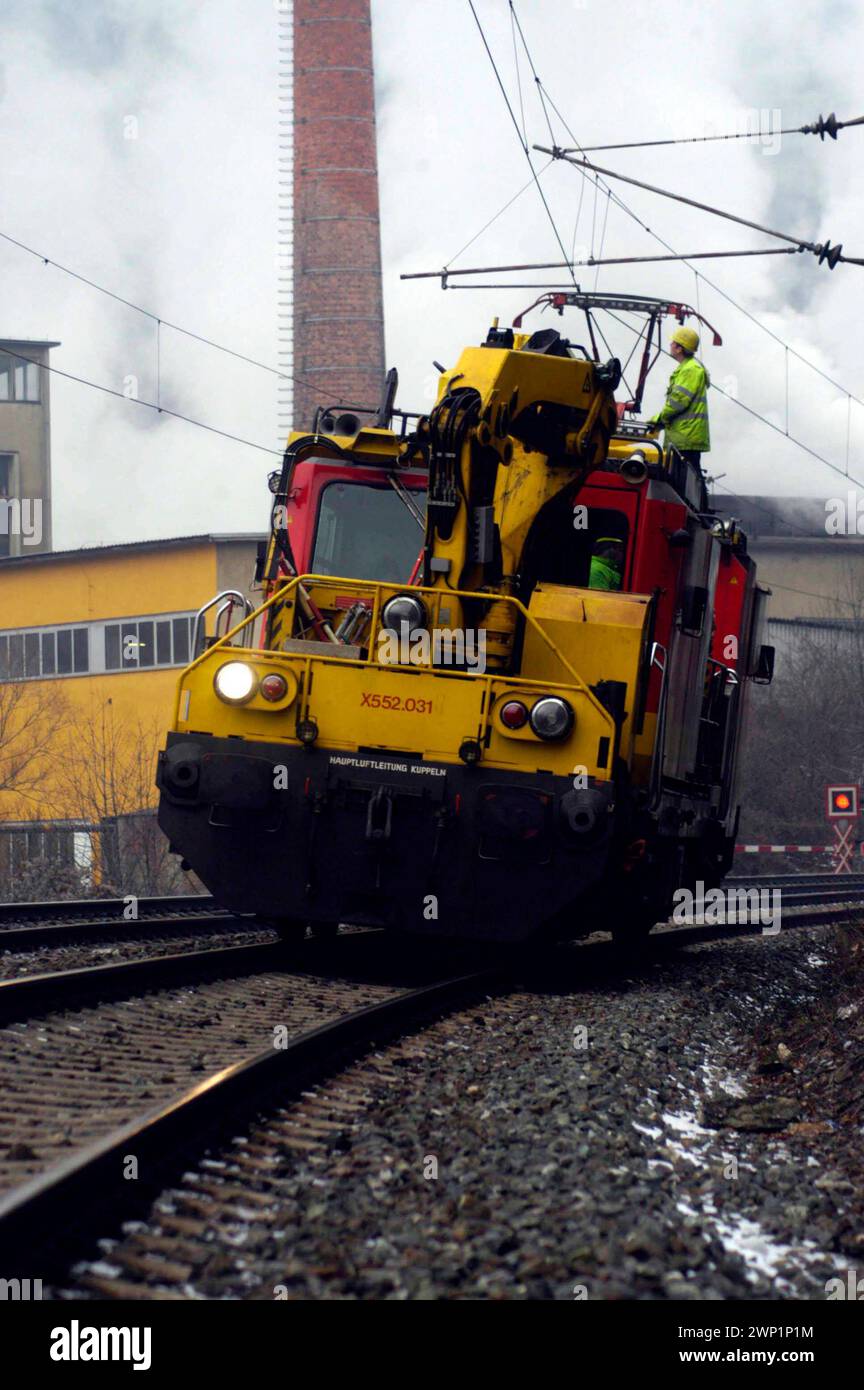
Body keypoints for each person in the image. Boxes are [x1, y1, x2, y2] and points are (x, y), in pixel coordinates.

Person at [649, 325, 710, 467]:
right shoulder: (687, 368)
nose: (670, 344)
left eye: (673, 342)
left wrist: (658, 419)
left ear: (679, 348)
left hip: (685, 438)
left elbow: (678, 403)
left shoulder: (690, 370)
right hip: (684, 436)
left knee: (683, 480)